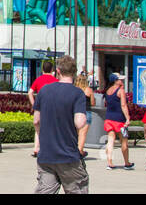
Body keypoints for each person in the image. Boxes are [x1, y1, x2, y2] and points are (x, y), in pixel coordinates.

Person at [33, 55, 90, 194]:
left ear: (58, 71)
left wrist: (40, 140)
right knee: (77, 188)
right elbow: (79, 122)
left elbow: (36, 121)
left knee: (45, 190)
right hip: (68, 155)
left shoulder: (44, 91)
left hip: (46, 155)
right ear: (74, 72)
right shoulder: (77, 94)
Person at [28, 59, 58, 157]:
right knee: (50, 129)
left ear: (43, 69)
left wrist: (34, 104)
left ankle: (36, 149)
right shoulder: (56, 81)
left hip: (39, 107)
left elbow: (30, 92)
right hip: (51, 108)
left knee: (38, 129)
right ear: (52, 69)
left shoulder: (38, 79)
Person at [103, 73, 133, 170]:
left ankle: (110, 162)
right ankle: (127, 162)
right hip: (119, 120)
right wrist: (127, 118)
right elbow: (123, 105)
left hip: (109, 118)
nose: (122, 81)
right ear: (115, 80)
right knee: (124, 141)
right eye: (120, 79)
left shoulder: (107, 91)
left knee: (110, 141)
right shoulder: (120, 91)